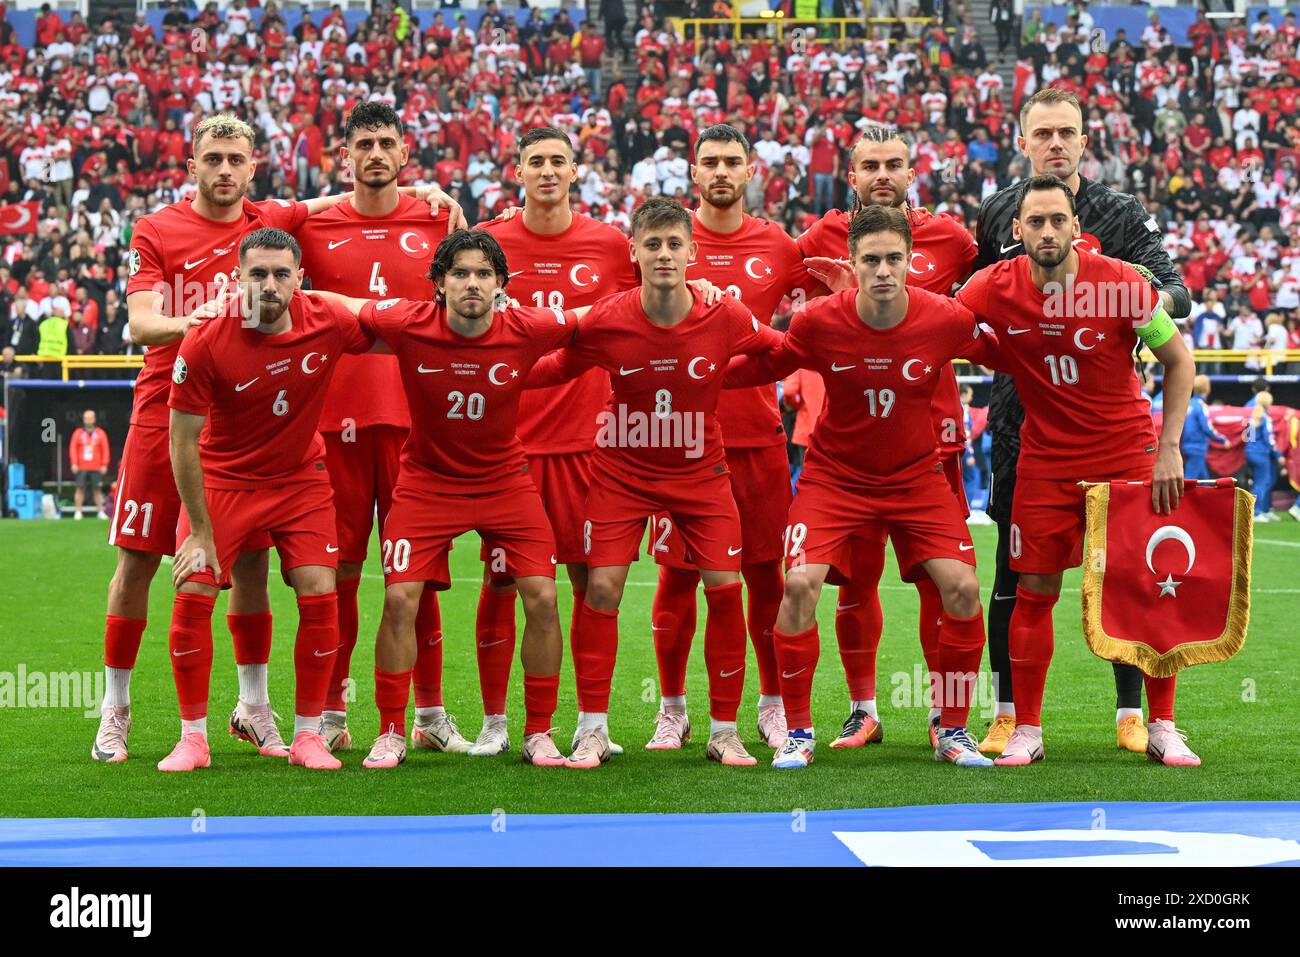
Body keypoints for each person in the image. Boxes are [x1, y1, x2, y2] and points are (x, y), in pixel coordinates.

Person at [724, 205, 1001, 770]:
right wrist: (692, 370)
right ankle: (799, 731)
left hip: (916, 478)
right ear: (853, 262)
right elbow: (771, 362)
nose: (882, 270)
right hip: (836, 478)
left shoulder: (944, 317)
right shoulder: (820, 320)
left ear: (909, 263)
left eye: (893, 259)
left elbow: (1008, 352)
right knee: (799, 583)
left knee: (963, 590)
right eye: (870, 259)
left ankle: (952, 729)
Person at [973, 88, 1192, 758]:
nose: (1057, 142)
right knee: (1022, 576)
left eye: (1068, 131)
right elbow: (957, 317)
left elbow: (1173, 305)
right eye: (1044, 132)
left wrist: (1122, 314)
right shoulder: (995, 232)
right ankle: (1015, 719)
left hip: (1117, 430)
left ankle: (1143, 717)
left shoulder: (1120, 242)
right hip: (1028, 426)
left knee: (1136, 579)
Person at [528, 197, 780, 770]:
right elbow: (552, 369)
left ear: (693, 252)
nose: (664, 254)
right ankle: (591, 730)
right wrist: (495, 365)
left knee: (725, 588)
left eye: (674, 244)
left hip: (701, 472)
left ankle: (723, 731)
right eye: (653, 244)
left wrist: (729, 376)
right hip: (622, 472)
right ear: (634, 252)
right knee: (602, 589)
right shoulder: (605, 318)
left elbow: (778, 353)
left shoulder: (726, 315)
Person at [310, 229, 576, 769]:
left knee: (544, 598)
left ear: (501, 284)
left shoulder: (527, 326)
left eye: (483, 273)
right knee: (400, 598)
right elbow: (347, 305)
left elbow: (598, 319)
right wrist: (291, 294)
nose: (471, 283)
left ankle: (539, 731)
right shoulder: (408, 323)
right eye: (459, 273)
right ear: (439, 284)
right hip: (428, 482)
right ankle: (390, 729)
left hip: (505, 479)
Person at [161, 228, 377, 772]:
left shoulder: (326, 317)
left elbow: (401, 332)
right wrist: (202, 532)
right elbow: (182, 439)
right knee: (193, 588)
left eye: (282, 273)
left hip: (299, 481)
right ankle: (192, 739)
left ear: (300, 278)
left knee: (320, 588)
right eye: (257, 273)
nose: (270, 283)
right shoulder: (206, 338)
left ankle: (308, 737)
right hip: (223, 480)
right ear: (238, 278)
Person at [797, 127, 980, 751]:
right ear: (850, 175)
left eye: (893, 164)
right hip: (848, 441)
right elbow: (782, 306)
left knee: (942, 580)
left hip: (933, 436)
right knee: (857, 578)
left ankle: (943, 715)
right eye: (869, 165)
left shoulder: (954, 239)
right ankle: (863, 707)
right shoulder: (819, 239)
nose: (882, 174)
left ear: (912, 171)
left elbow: (986, 309)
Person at [293, 102, 464, 757]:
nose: (375, 154)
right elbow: (257, 220)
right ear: (345, 155)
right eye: (362, 144)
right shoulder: (315, 222)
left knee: (415, 573)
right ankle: (332, 710)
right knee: (338, 572)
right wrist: (327, 196)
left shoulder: (437, 216)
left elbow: (476, 279)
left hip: (418, 422)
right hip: (332, 420)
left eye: (386, 143)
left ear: (405, 150)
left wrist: (445, 200)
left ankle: (430, 712)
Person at [645, 124, 818, 753]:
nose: (720, 171)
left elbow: (826, 300)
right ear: (693, 173)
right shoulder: (665, 239)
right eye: (709, 162)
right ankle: (672, 709)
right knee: (678, 579)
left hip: (757, 437)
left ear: (751, 171)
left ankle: (772, 707)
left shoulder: (777, 246)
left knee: (765, 576)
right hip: (679, 440)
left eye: (732, 162)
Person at [473, 126, 640, 758]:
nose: (547, 171)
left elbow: (650, 305)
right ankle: (495, 721)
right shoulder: (488, 243)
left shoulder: (608, 245)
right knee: (501, 584)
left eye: (558, 162)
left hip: (586, 443)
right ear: (517, 172)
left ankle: (591, 722)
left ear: (576, 172)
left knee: (590, 582)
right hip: (507, 445)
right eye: (535, 161)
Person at [1181, 375, 1228, 480]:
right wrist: (1222, 439)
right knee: (1189, 480)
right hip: (1197, 447)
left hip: (1187, 446)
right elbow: (1207, 428)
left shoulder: (1188, 404)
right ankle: (1181, 497)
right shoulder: (1201, 406)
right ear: (1207, 389)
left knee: (1205, 480)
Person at [1245, 392, 1280, 522]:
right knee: (1262, 483)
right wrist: (1277, 454)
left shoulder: (1250, 415)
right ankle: (1256, 512)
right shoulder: (1265, 417)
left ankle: (1261, 510)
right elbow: (1268, 439)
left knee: (1257, 483)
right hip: (1261, 454)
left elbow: (1246, 437)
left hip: (1250, 452)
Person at [70, 409, 110, 519]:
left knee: (97, 489)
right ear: (83, 419)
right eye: (86, 418)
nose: (88, 420)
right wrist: (74, 463)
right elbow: (73, 449)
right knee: (80, 488)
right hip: (81, 466)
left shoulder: (100, 433)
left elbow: (105, 449)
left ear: (94, 419)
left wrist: (104, 464)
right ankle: (78, 511)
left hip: (96, 466)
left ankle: (100, 511)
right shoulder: (78, 433)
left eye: (90, 418)